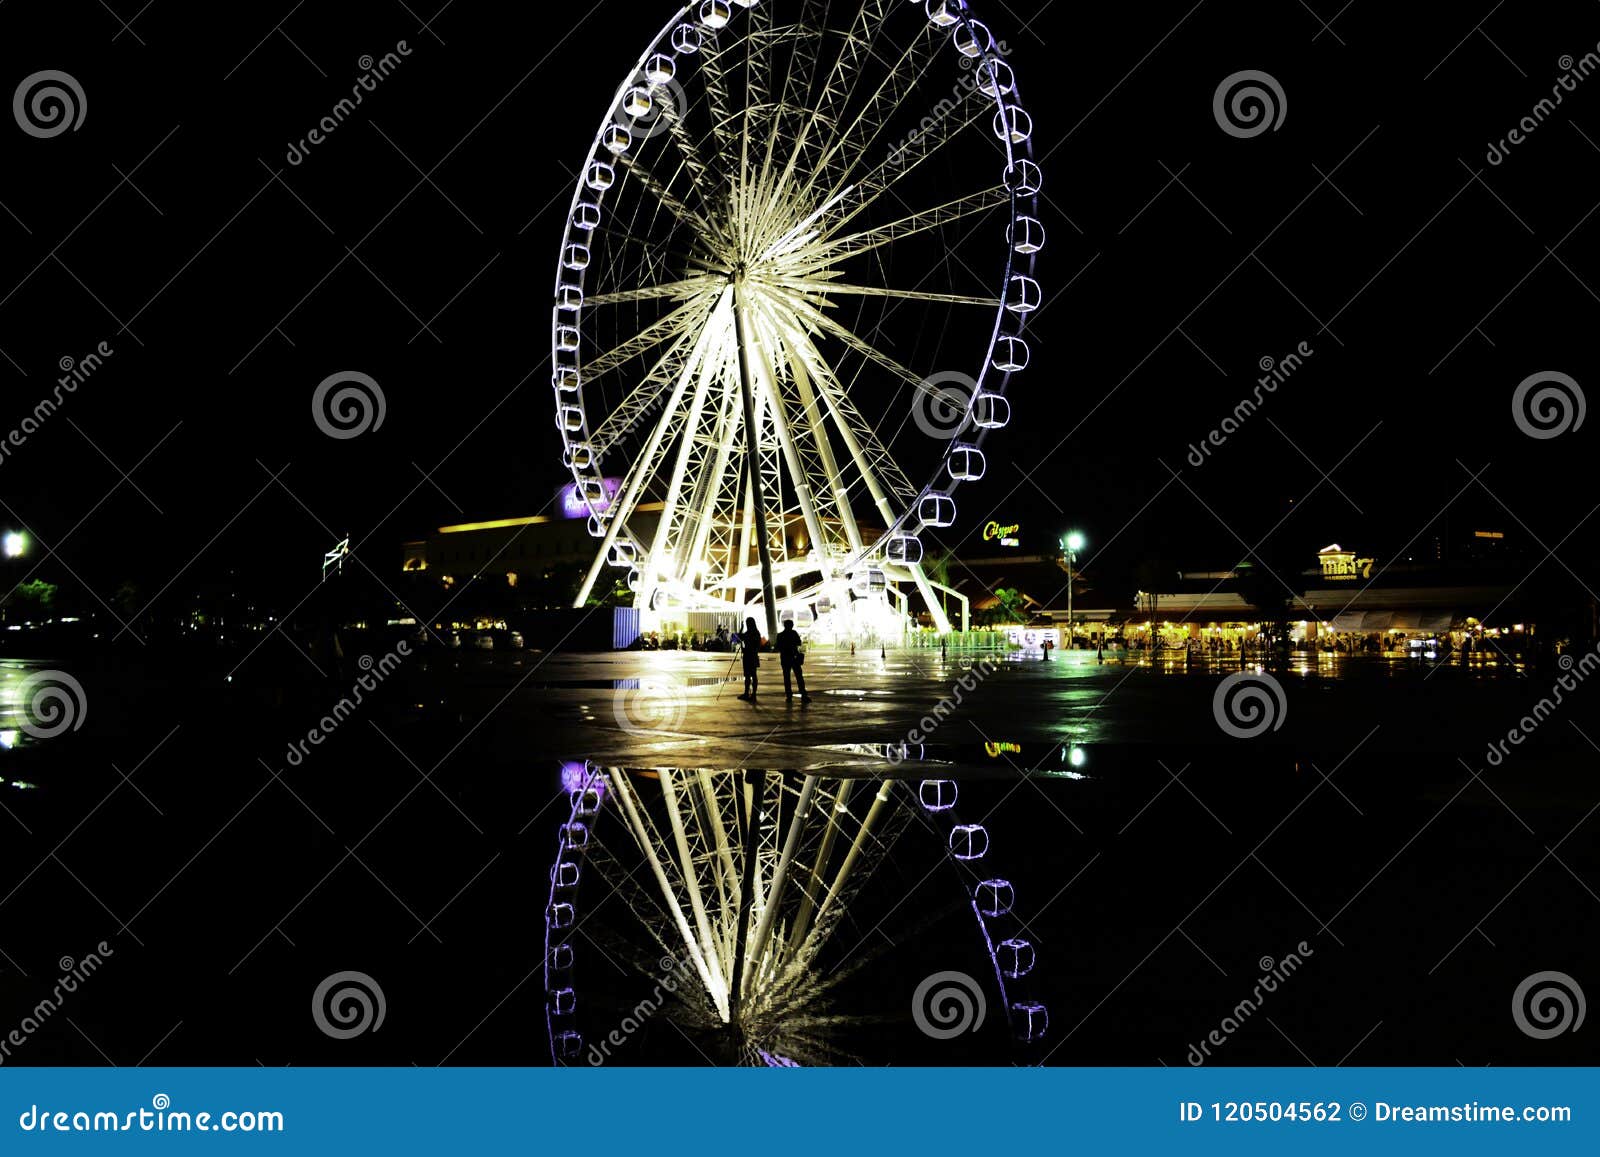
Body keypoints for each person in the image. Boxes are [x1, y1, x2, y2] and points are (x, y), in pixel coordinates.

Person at [775, 618, 811, 703]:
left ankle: (789, 695)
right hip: (794, 657)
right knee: (799, 676)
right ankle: (803, 694)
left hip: (784, 658)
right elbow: (799, 642)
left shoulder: (780, 635)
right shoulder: (794, 633)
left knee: (786, 677)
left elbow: (777, 647)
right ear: (791, 626)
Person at [738, 617, 762, 701]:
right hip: (752, 655)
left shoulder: (750, 633)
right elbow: (740, 638)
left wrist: (741, 629)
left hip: (749, 656)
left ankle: (748, 693)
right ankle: (752, 694)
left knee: (749, 675)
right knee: (752, 675)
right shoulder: (756, 632)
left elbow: (740, 638)